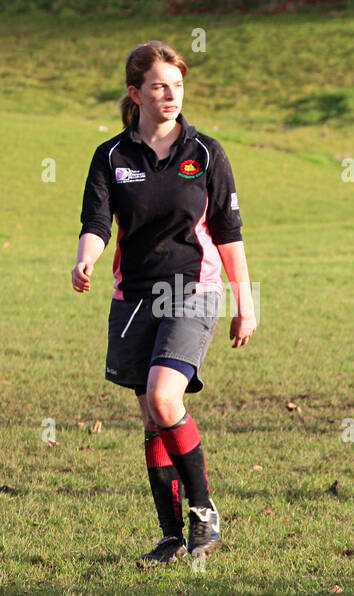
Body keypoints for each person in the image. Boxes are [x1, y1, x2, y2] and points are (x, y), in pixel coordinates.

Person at [73, 41, 256, 567]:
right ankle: (172, 537)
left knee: (163, 397)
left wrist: (246, 303)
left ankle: (204, 510)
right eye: (158, 85)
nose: (170, 94)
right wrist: (85, 259)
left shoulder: (207, 152)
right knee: (152, 419)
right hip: (133, 297)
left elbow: (228, 231)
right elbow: (96, 223)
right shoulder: (112, 156)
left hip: (192, 290)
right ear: (136, 93)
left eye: (176, 85)